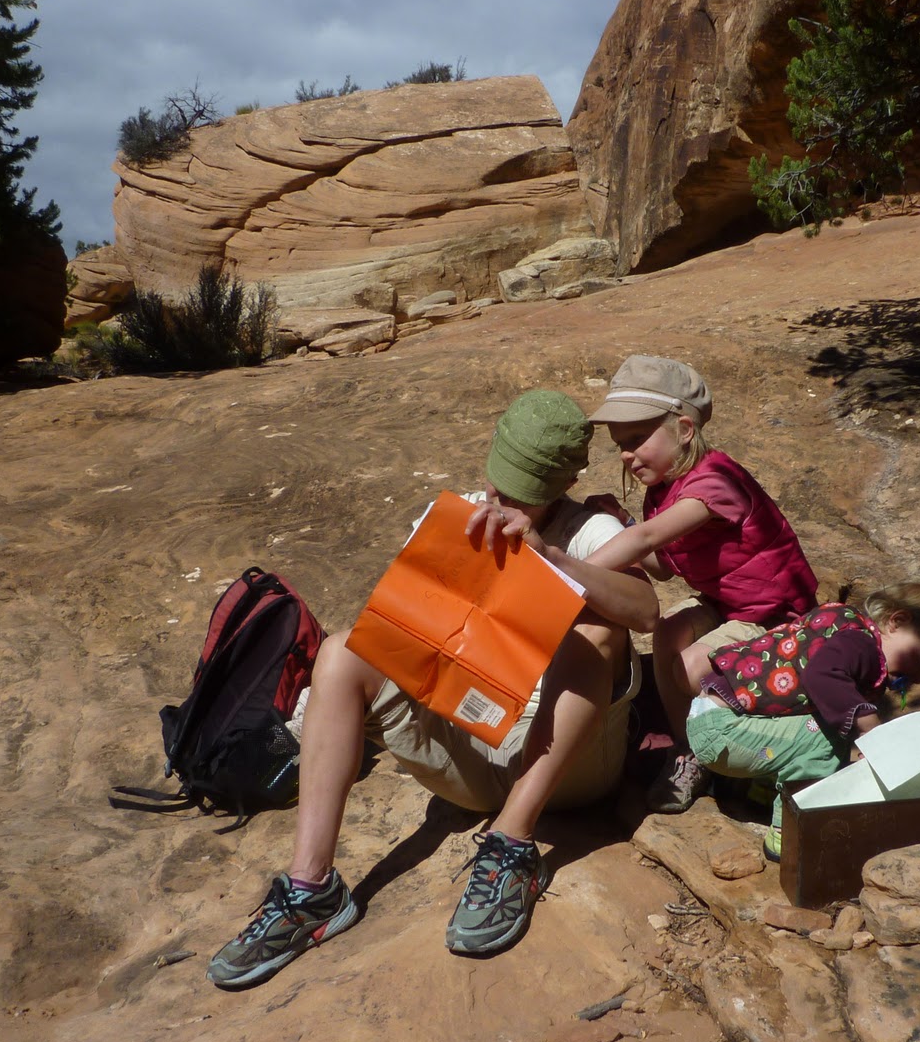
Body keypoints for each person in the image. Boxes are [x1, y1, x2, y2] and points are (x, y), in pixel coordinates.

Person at [208, 391, 659, 988]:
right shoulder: (457, 513)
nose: (502, 501)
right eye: (498, 485)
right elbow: (396, 633)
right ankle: (312, 888)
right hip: (468, 737)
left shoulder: (590, 529)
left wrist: (550, 560)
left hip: (559, 764)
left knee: (599, 634)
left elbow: (646, 612)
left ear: (563, 482)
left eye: (522, 492)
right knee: (345, 650)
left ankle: (511, 842)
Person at [584, 354, 819, 814]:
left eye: (636, 440)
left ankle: (742, 746)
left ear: (685, 430)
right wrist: (623, 519)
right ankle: (688, 750)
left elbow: (647, 539)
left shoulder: (715, 482)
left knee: (692, 666)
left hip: (775, 616)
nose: (627, 455)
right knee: (668, 630)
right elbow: (663, 565)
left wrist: (567, 577)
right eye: (620, 445)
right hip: (728, 603)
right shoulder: (664, 490)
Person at [685, 583, 920, 860]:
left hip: (715, 718)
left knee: (823, 720)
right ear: (897, 622)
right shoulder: (862, 647)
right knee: (830, 738)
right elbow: (822, 676)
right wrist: (869, 725)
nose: (918, 677)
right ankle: (789, 831)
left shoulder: (845, 625)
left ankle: (756, 791)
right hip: (726, 731)